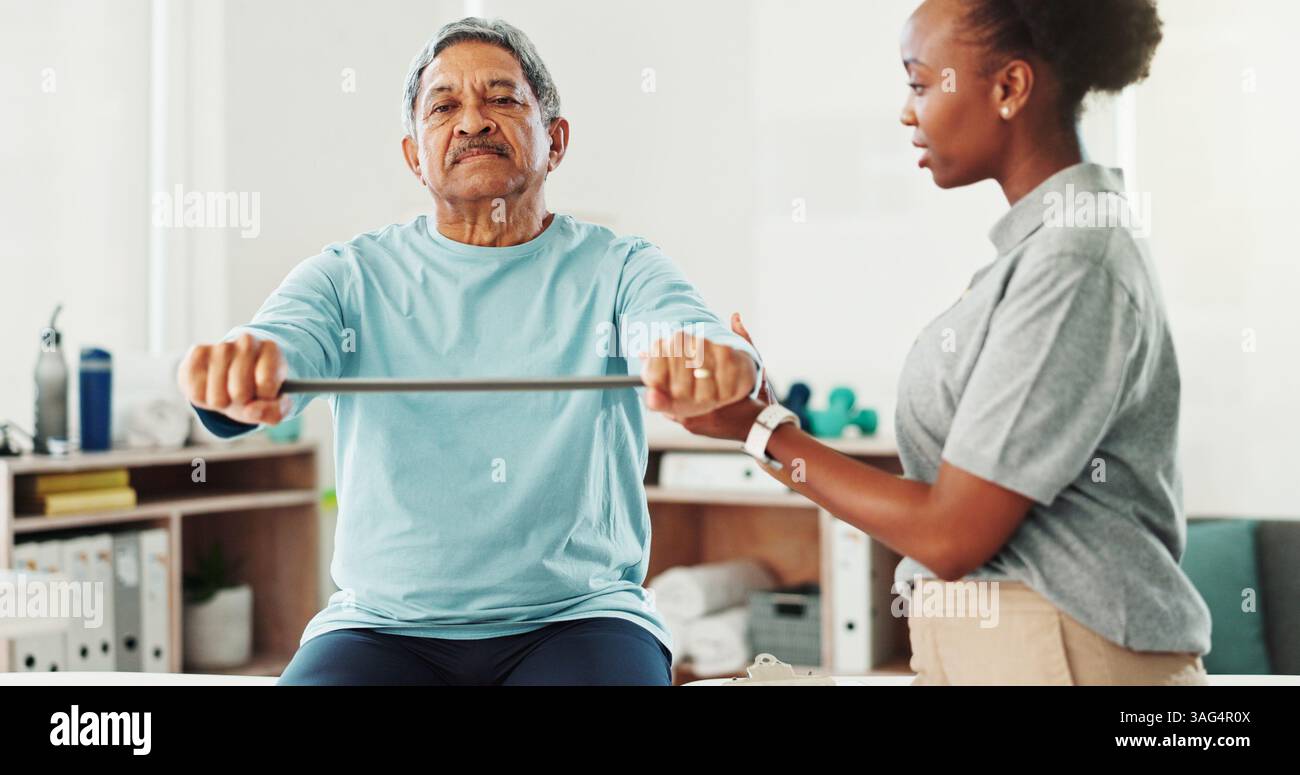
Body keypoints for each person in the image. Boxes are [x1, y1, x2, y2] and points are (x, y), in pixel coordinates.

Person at [177, 17, 759, 686]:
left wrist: (712, 364)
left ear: (556, 139)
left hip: (580, 618)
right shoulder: (346, 275)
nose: (472, 121)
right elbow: (274, 350)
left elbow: (684, 332)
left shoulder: (621, 267)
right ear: (413, 155)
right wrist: (234, 379)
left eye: (503, 99)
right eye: (444, 105)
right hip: (382, 627)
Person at [662, 0, 1212, 685]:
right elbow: (941, 511)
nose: (906, 111)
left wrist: (764, 431)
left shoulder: (1072, 266)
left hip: (1064, 654)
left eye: (920, 84)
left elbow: (950, 534)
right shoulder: (1038, 257)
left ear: (1010, 87)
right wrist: (762, 427)